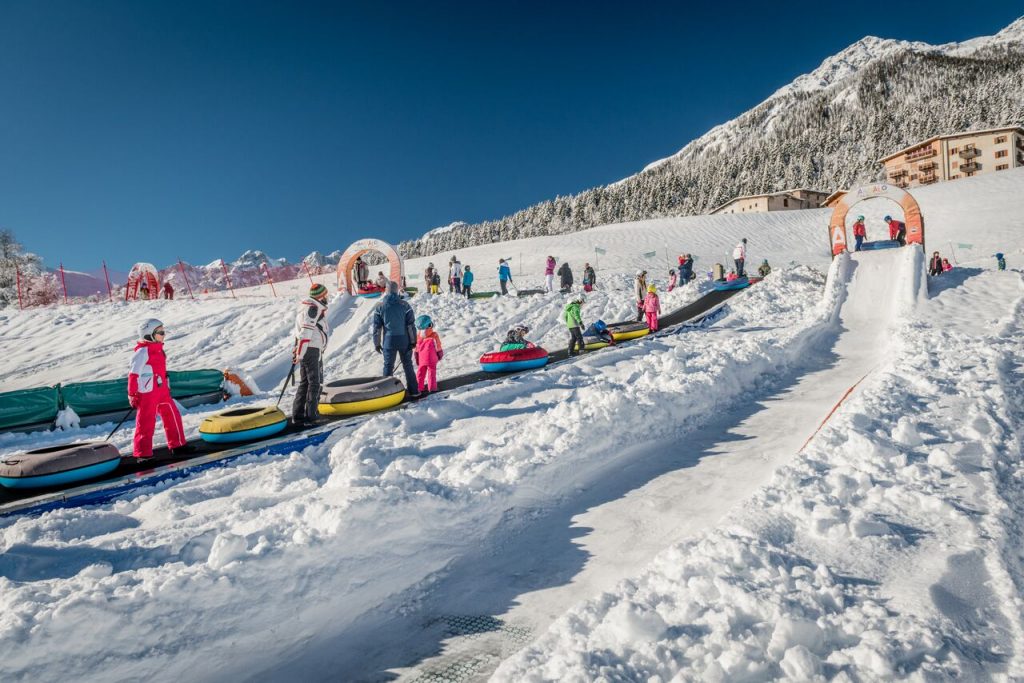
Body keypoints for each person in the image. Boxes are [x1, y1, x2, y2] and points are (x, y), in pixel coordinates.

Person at [129, 318, 189, 459]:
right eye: (160, 332)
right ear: (149, 334)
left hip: (162, 391)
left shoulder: (158, 350)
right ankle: (143, 454)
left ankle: (177, 445)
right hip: (148, 393)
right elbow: (133, 374)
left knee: (173, 416)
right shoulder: (142, 352)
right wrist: (132, 394)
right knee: (146, 422)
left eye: (163, 331)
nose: (163, 334)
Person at [292, 283, 331, 426]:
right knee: (314, 383)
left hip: (308, 349)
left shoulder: (307, 308)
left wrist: (298, 350)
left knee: (305, 383)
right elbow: (305, 333)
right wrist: (299, 354)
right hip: (311, 350)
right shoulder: (313, 309)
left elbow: (299, 333)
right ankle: (311, 416)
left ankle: (298, 415)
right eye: (325, 295)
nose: (327, 297)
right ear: (321, 296)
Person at [372, 280, 418, 396]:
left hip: (389, 341)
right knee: (407, 365)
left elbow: (377, 328)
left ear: (386, 290)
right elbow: (410, 325)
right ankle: (414, 391)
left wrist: (377, 343)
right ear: (397, 290)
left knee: (388, 367)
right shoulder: (405, 305)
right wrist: (413, 341)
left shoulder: (380, 307)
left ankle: (385, 394)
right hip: (404, 341)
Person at [414, 314, 442, 394]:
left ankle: (419, 388)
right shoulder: (434, 335)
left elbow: (416, 349)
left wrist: (417, 357)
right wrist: (440, 354)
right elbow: (438, 346)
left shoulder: (418, 337)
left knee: (420, 373)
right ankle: (432, 388)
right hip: (432, 359)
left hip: (422, 359)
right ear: (429, 325)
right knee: (431, 372)